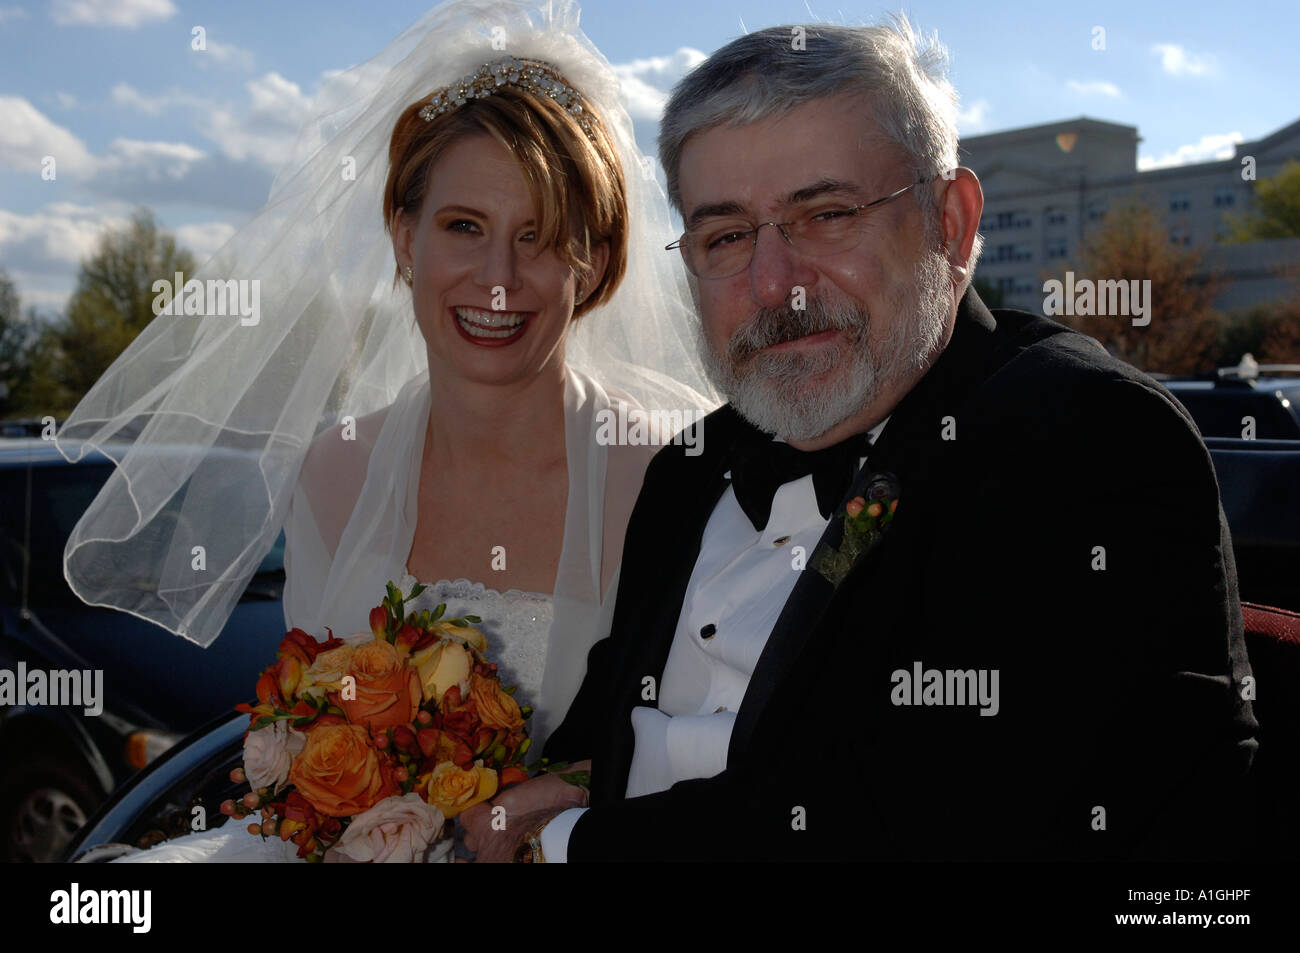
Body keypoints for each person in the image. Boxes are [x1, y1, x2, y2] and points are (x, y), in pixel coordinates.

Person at [465, 17, 1258, 862]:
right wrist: (567, 782)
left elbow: (958, 815)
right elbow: (609, 735)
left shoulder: (1085, 436)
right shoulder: (687, 468)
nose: (775, 284)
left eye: (827, 213)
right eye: (728, 236)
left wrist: (567, 841)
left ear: (951, 223)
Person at [54, 0, 715, 862]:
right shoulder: (336, 470)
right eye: (463, 227)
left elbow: (718, 749)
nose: (499, 279)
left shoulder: (665, 473)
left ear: (594, 261)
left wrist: (550, 798)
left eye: (540, 237)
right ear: (404, 237)